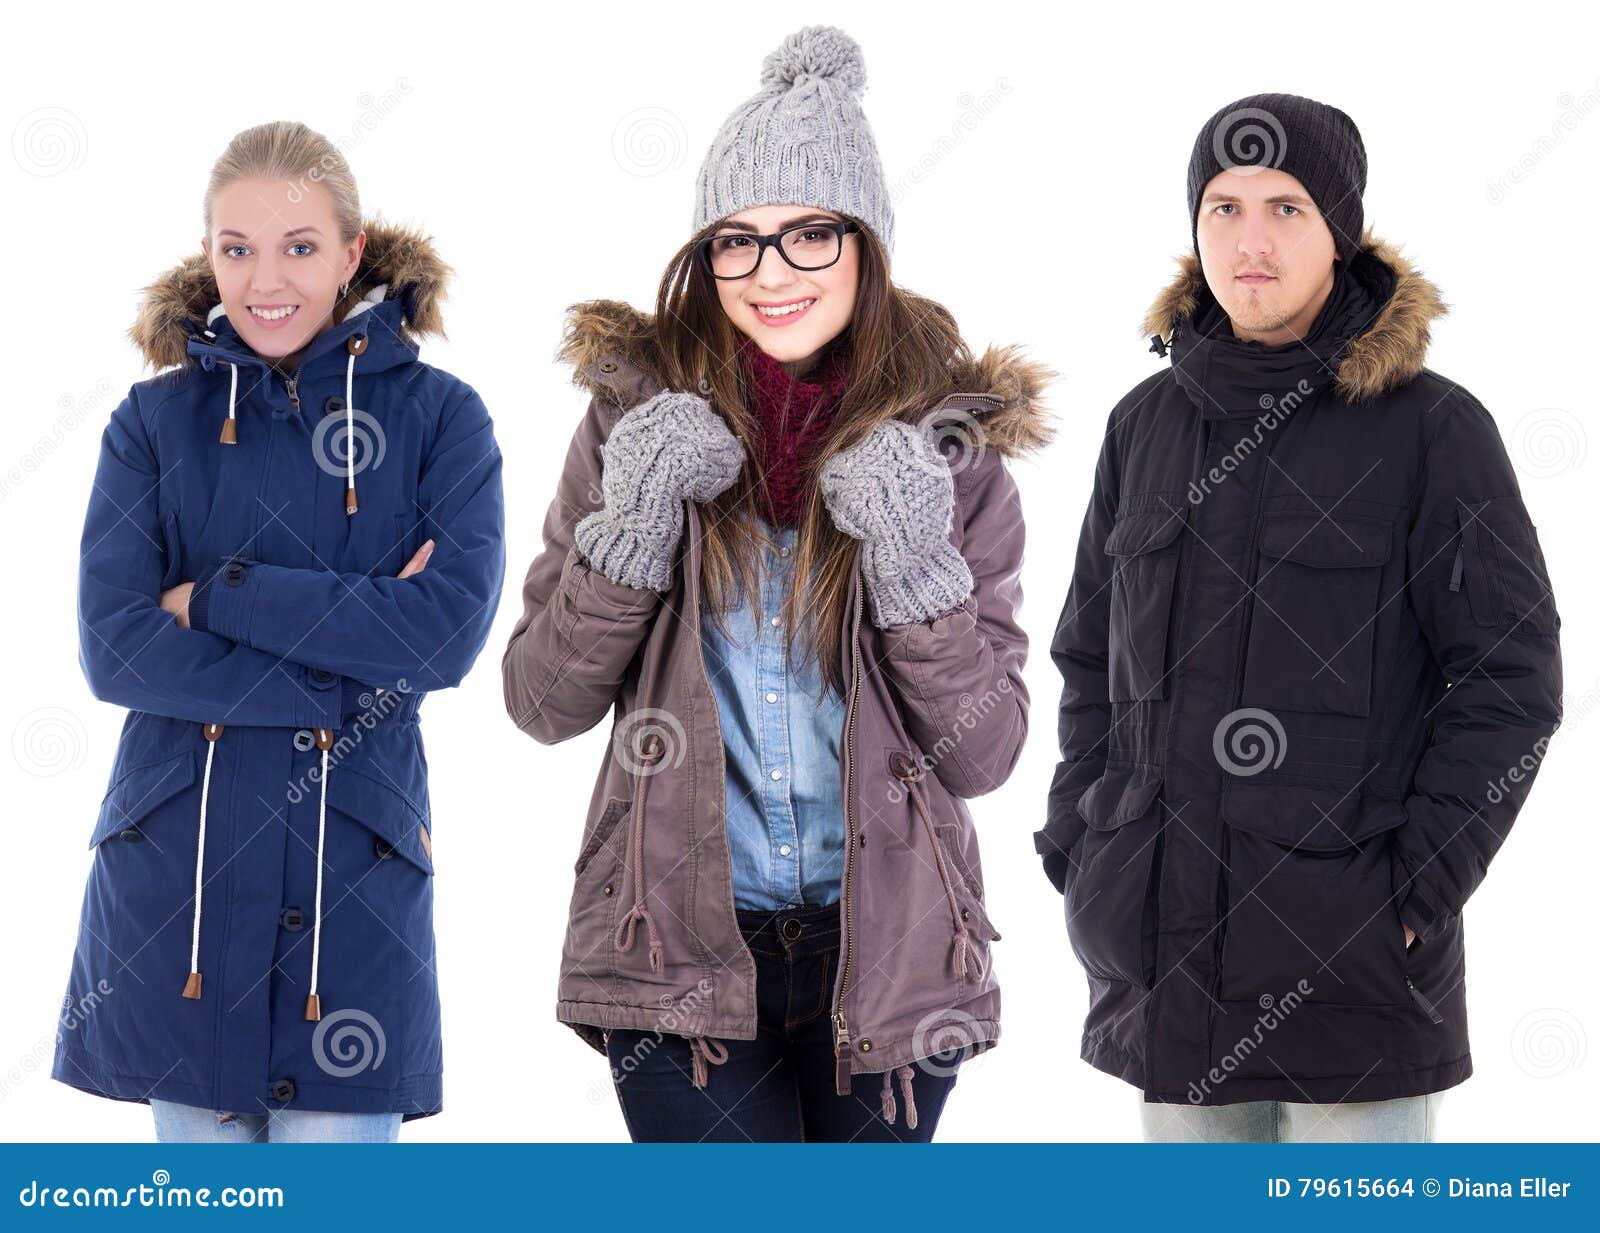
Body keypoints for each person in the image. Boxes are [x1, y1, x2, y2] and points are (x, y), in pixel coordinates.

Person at [502, 26, 1053, 1141]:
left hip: (889, 952)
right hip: (678, 951)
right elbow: (541, 702)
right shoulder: (635, 422)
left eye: (808, 234)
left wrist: (910, 557)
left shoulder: (949, 447)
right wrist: (639, 513)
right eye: (737, 243)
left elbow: (985, 753)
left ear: (866, 246)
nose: (771, 273)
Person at [1035, 93, 1563, 1143]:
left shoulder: (1430, 428)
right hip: (1166, 974)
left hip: (1351, 984)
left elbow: (1509, 680)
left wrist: (1416, 890)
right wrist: (1084, 843)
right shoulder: (1144, 426)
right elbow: (1089, 660)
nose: (1251, 240)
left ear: (1341, 229)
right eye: (1222, 208)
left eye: (1285, 207)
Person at [55, 121, 506, 1142]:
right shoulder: (151, 422)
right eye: (237, 247)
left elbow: (441, 640)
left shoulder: (444, 419)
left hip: (354, 879)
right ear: (206, 253)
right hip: (181, 887)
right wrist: (354, 665)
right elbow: (115, 647)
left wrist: (216, 597)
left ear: (353, 254)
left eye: (300, 246)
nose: (267, 279)